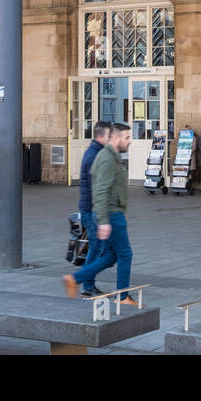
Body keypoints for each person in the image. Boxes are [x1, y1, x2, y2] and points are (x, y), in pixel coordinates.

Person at [65, 123, 136, 305]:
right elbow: (101, 190)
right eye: (127, 137)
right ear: (115, 138)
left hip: (110, 212)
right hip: (110, 213)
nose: (130, 141)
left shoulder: (110, 156)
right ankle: (122, 296)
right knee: (125, 254)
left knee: (110, 255)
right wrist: (103, 221)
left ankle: (77, 279)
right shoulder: (106, 158)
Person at [76, 122, 111, 296]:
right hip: (91, 210)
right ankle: (86, 285)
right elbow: (96, 187)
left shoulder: (97, 153)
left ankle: (87, 283)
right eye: (109, 136)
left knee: (98, 247)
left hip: (92, 208)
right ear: (101, 136)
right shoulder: (94, 156)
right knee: (96, 248)